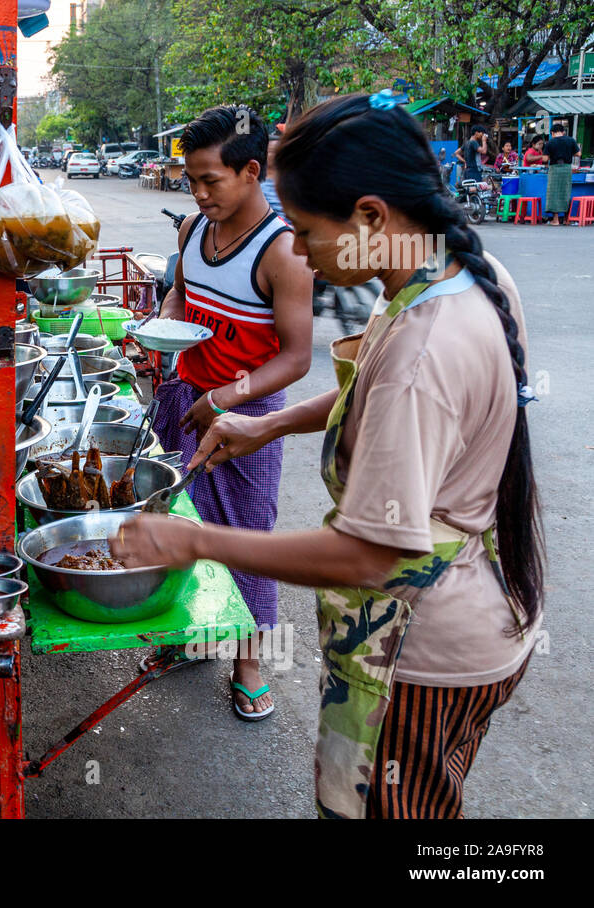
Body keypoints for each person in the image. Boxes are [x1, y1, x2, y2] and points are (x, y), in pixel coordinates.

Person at [114, 92, 544, 819]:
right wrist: (268, 427)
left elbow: (368, 554)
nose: (301, 251)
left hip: (418, 655)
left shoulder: (424, 350)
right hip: (475, 617)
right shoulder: (445, 274)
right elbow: (369, 396)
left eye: (308, 231)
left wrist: (192, 540)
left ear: (371, 217)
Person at [145, 105, 314, 721]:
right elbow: (181, 293)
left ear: (250, 171)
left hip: (245, 415)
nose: (197, 192)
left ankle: (248, 663)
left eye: (209, 180)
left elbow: (295, 359)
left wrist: (226, 398)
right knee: (183, 519)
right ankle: (195, 633)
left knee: (245, 538)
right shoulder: (193, 229)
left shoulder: (284, 251)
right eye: (190, 179)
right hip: (183, 395)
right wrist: (160, 327)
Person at [543, 122, 581, 226]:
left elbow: (545, 159)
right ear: (563, 132)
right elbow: (578, 154)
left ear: (552, 133)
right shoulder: (570, 140)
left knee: (554, 193)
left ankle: (555, 220)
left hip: (555, 168)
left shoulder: (550, 143)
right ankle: (566, 219)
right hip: (566, 169)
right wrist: (568, 153)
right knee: (566, 192)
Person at [261, 132, 284, 219]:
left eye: (278, 151)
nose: (275, 154)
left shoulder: (290, 180)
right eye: (271, 151)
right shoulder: (255, 182)